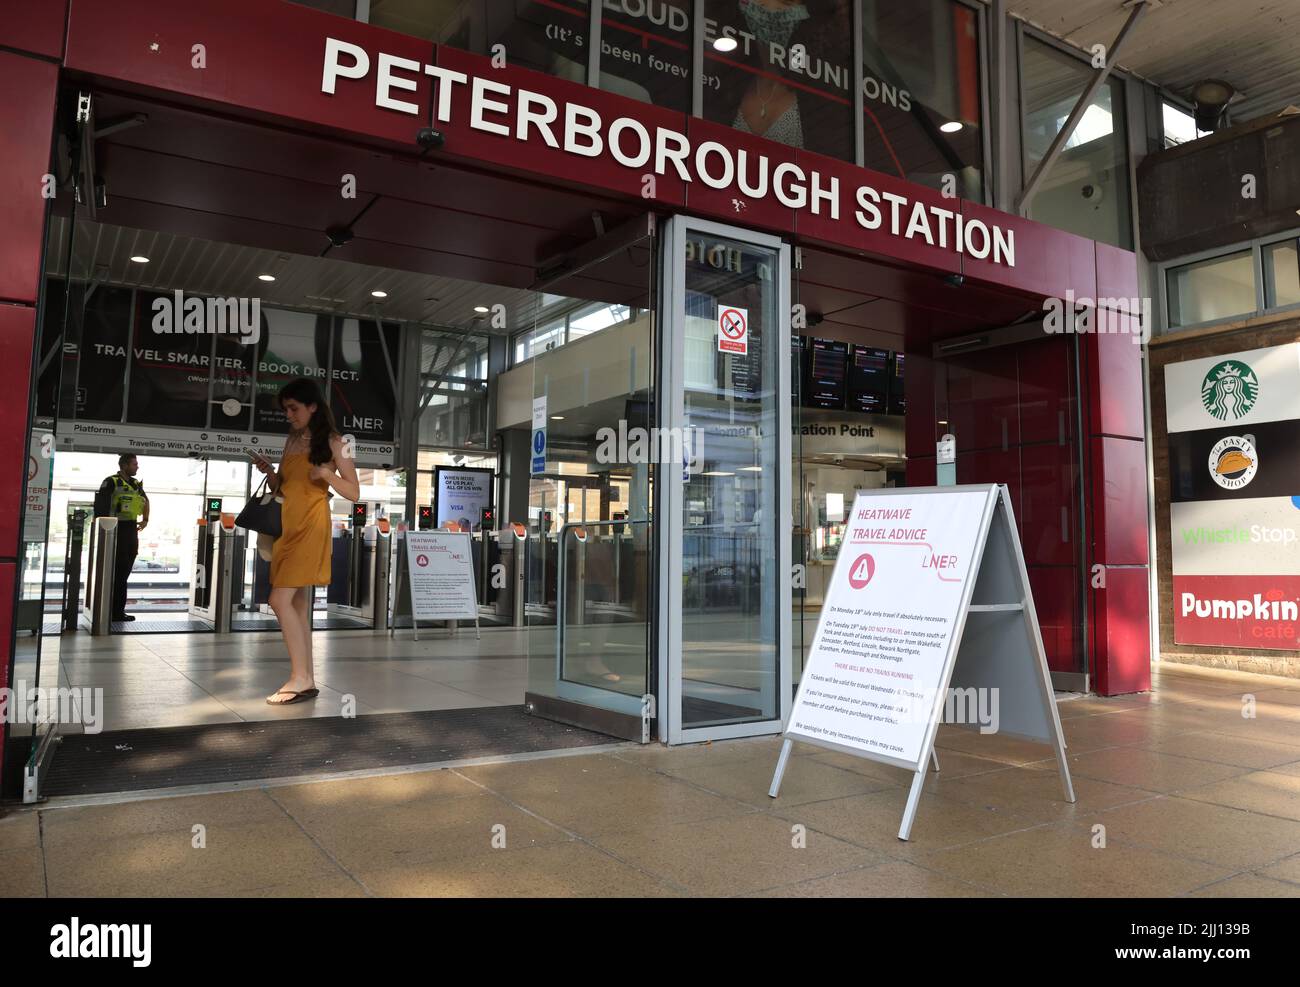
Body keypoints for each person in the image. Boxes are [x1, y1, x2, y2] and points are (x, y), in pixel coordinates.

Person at [253, 378, 360, 706]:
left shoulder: (337, 442)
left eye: (293, 408)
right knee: (297, 604)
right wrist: (269, 473)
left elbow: (354, 492)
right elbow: (284, 487)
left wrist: (327, 474)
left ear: (312, 406)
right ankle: (306, 678)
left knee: (278, 599)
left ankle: (299, 678)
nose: (288, 414)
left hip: (310, 527)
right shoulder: (292, 441)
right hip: (286, 526)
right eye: (285, 409)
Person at [96, 453, 149, 623]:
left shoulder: (135, 483)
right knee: (114, 572)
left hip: (131, 531)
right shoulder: (111, 481)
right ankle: (108, 611)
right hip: (114, 530)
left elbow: (146, 501)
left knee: (124, 573)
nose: (137, 467)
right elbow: (101, 506)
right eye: (134, 464)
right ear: (124, 465)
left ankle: (118, 612)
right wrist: (104, 528)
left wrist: (145, 520)